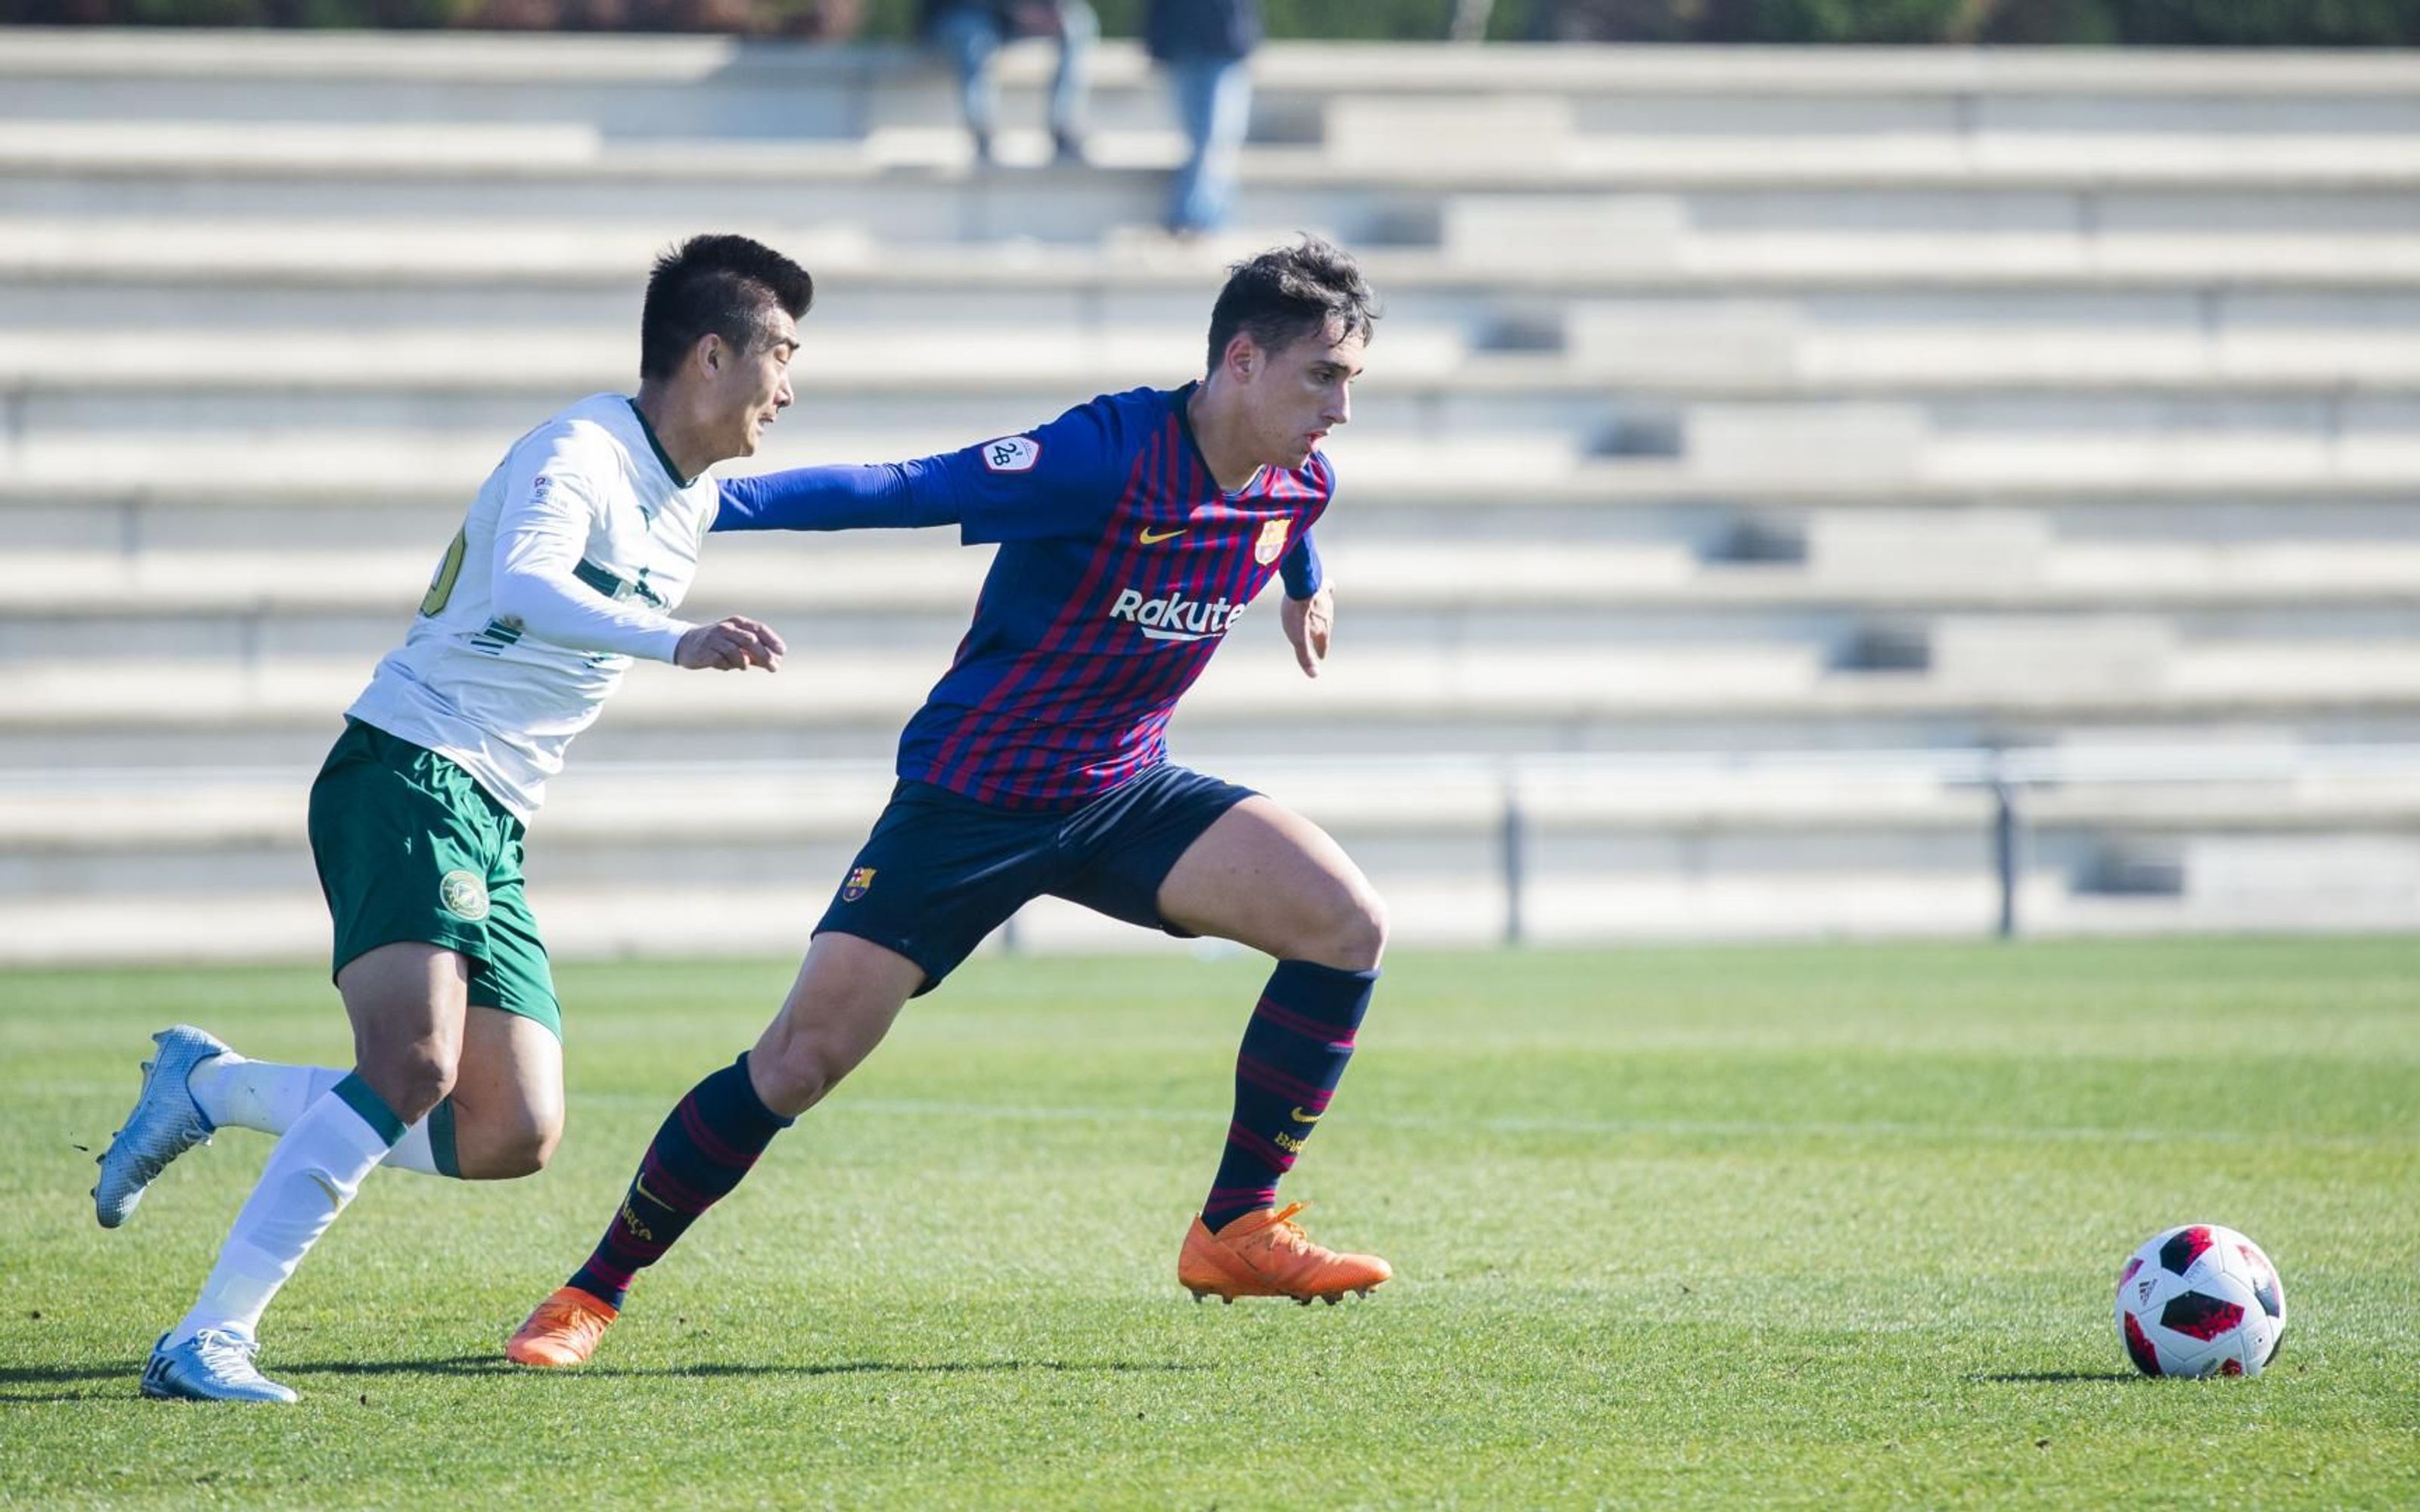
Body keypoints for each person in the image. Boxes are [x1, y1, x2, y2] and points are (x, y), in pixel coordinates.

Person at [505, 237, 1390, 1370]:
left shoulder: (1300, 476)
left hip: (1123, 788)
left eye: (1352, 382)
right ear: (1243, 362)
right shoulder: (1104, 455)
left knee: (1346, 923)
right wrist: (695, 510)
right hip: (974, 799)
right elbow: (905, 488)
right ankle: (590, 1293)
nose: (1341, 412)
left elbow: (1294, 524)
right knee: (796, 1065)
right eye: (1326, 379)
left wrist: (1306, 591)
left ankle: (1237, 1226)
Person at [92, 234, 811, 1404]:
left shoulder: (694, 490)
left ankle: (211, 1088)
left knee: (511, 1132)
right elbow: (527, 586)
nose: (790, 387)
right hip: (411, 768)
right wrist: (673, 640)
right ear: (711, 353)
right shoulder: (575, 453)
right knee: (414, 1063)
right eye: (779, 354)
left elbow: (850, 493)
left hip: (492, 815)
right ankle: (206, 1338)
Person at [923, 0, 1097, 166]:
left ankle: (1063, 130)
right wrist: (1019, 9)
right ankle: (983, 136)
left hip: (1011, 19)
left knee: (1076, 23)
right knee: (974, 40)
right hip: (962, 13)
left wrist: (1053, 8)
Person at [1147, 0, 1258, 235]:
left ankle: (1194, 218)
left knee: (1213, 138)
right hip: (1186, 40)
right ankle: (1197, 218)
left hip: (1218, 41)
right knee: (1204, 139)